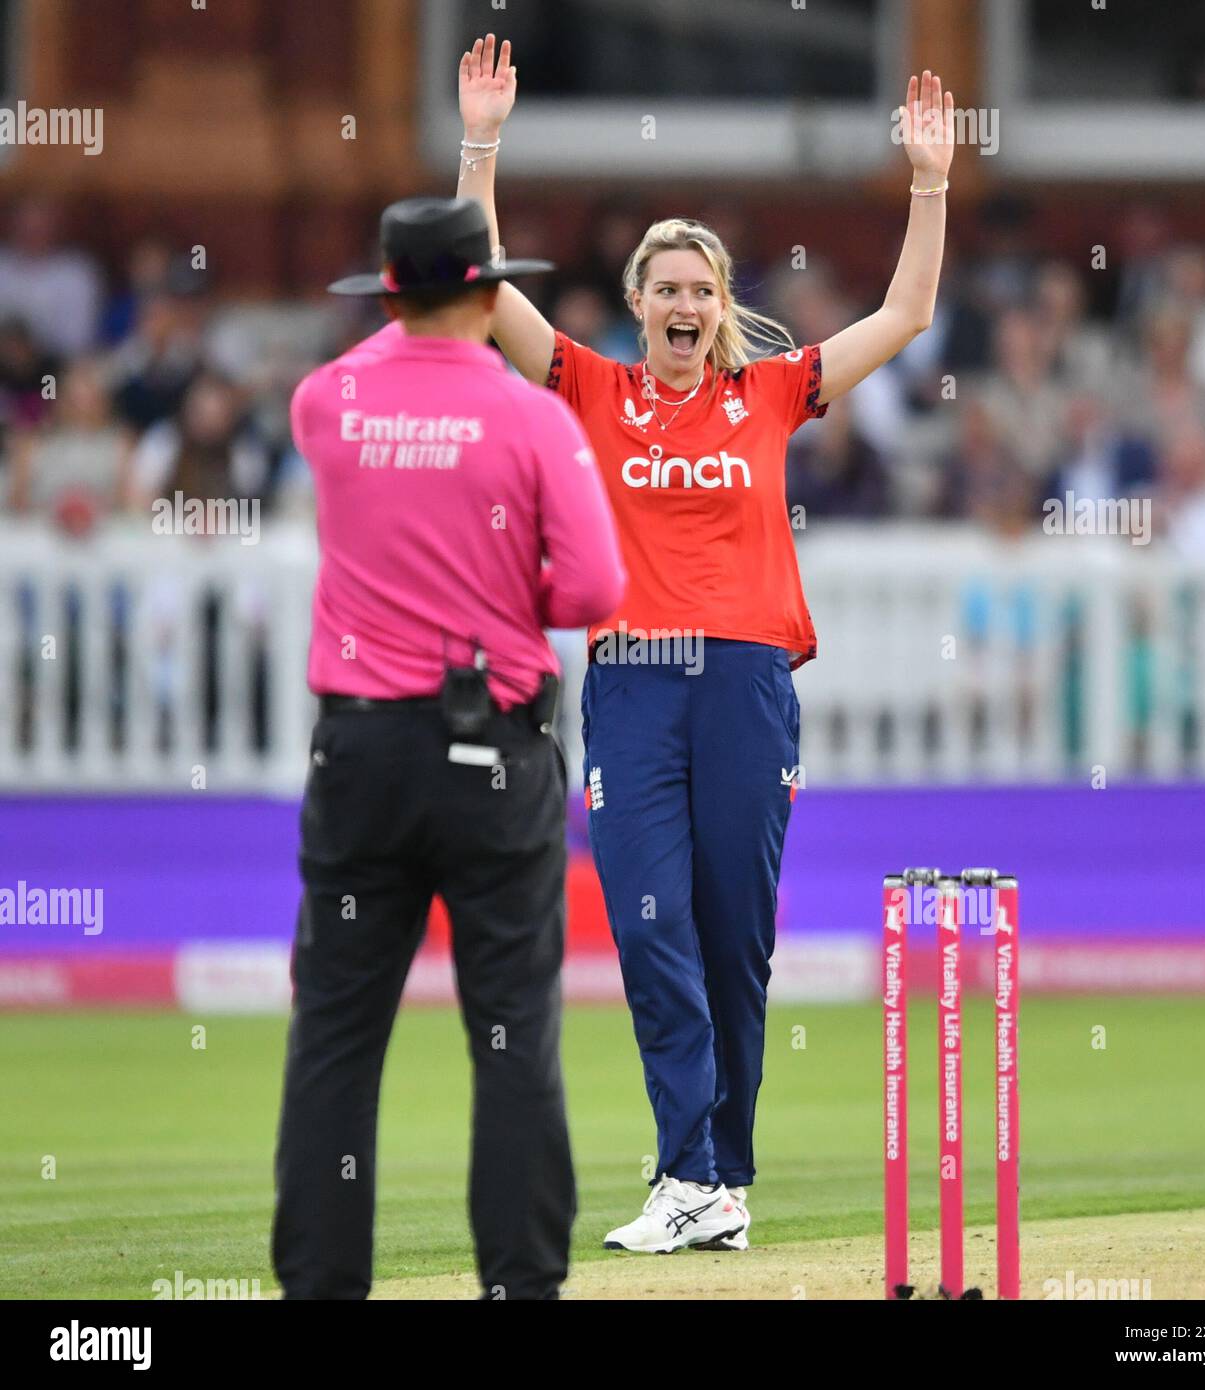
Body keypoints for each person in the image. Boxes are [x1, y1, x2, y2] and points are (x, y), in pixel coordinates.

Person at [457, 35, 953, 1252]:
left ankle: (717, 1182)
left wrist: (929, 180)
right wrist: (481, 144)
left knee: (734, 934)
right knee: (646, 921)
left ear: (722, 306)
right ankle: (687, 1170)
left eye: (701, 289)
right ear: (638, 306)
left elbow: (907, 310)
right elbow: (478, 292)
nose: (685, 306)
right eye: (665, 289)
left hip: (743, 680)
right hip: (629, 682)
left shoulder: (772, 392)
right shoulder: (590, 388)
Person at [272, 196, 625, 1299]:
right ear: (486, 290)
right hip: (493, 751)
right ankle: (521, 1284)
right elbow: (595, 589)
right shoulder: (530, 418)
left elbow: (385, 373)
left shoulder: (326, 401)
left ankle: (321, 1285)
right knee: (513, 1034)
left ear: (386, 292)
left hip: (360, 753)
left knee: (334, 1033)